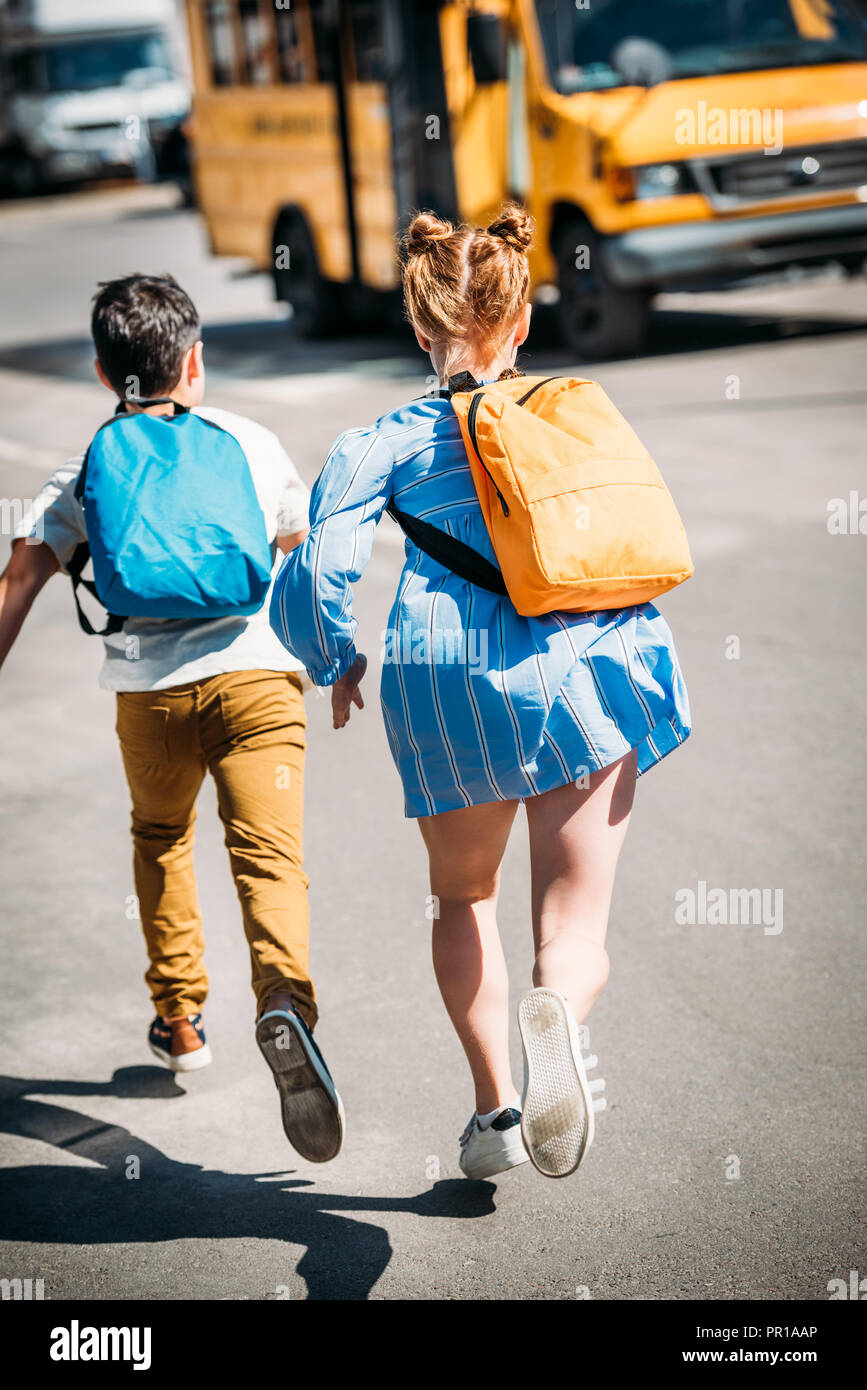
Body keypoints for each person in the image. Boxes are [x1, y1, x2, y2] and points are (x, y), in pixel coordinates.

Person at [270, 207, 691, 1180]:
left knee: (462, 897)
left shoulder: (379, 439)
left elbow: (316, 572)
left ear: (420, 330)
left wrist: (335, 659)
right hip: (586, 665)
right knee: (572, 924)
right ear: (521, 325)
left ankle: (495, 1106)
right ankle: (559, 1011)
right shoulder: (567, 415)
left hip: (442, 673)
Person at [0, 274, 342, 1164]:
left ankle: (180, 1019)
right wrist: (336, 658)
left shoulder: (83, 468)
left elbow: (18, 586)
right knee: (269, 858)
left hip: (150, 699)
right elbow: (307, 560)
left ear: (105, 371)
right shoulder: (251, 442)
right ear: (194, 359)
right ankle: (282, 1003)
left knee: (161, 839)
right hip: (258, 684)